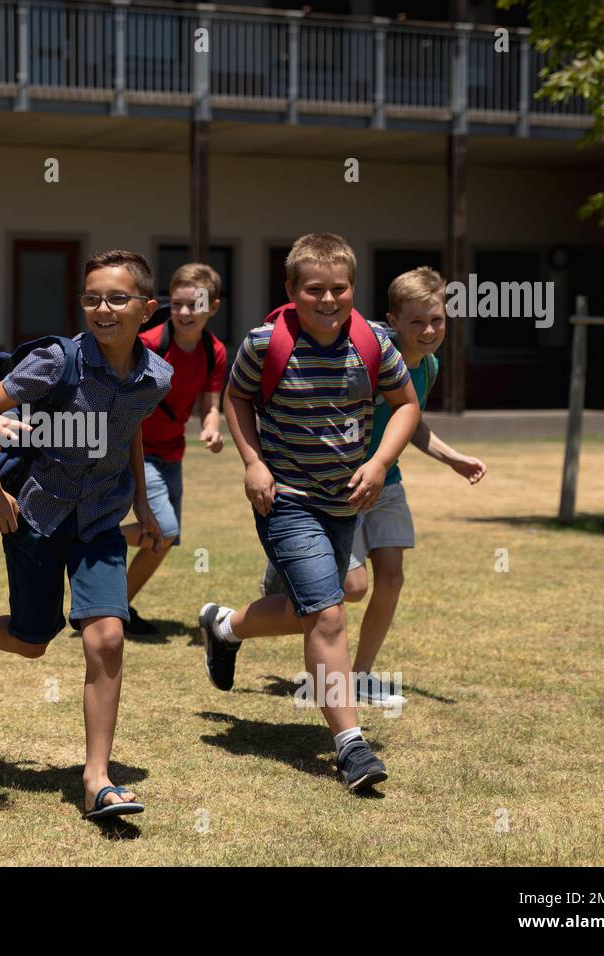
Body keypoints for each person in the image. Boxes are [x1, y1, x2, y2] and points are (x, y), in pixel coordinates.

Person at [196, 233, 419, 794]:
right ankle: (351, 746)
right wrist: (253, 461)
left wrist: (380, 462)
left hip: (345, 500)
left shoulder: (374, 344)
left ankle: (224, 626)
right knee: (327, 613)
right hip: (286, 500)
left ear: (353, 290)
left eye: (339, 289)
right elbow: (238, 399)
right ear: (291, 289)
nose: (328, 300)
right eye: (314, 289)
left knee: (326, 597)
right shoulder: (265, 341)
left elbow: (406, 404)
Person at [0, 250, 172, 821]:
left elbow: (129, 431)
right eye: (92, 297)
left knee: (106, 637)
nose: (103, 308)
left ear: (147, 308)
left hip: (100, 519)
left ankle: (97, 777)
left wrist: (145, 505)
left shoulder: (156, 376)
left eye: (118, 298)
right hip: (36, 517)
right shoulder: (56, 362)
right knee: (32, 639)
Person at [263, 266, 486, 706]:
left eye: (436, 320)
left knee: (392, 578)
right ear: (394, 321)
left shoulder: (430, 367)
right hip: (338, 486)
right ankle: (271, 589)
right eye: (417, 321)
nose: (428, 330)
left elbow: (411, 422)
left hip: (387, 483)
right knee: (351, 588)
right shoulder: (371, 358)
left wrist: (453, 459)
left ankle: (359, 676)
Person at [121, 262, 228, 635]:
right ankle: (95, 538)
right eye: (178, 304)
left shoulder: (214, 351)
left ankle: (117, 607)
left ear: (212, 307)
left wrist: (213, 430)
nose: (184, 312)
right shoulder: (148, 345)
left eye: (194, 305)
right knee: (162, 530)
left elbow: (210, 404)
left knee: (164, 538)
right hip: (137, 448)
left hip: (173, 451)